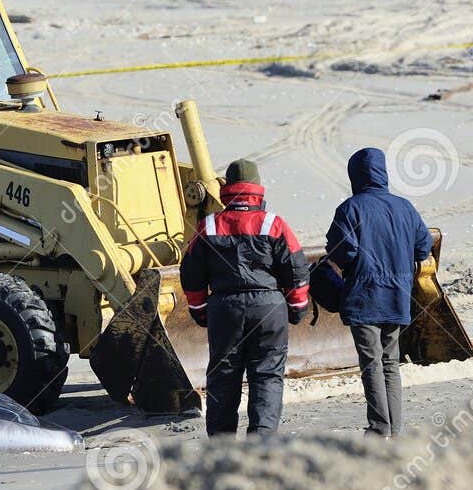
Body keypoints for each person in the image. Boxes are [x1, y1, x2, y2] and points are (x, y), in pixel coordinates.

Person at [180, 159, 311, 436]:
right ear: (257, 189)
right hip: (269, 309)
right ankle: (261, 443)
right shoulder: (274, 224)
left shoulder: (209, 226)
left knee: (223, 376)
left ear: (227, 189)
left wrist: (200, 310)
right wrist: (297, 307)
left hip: (224, 309)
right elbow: (296, 268)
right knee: (267, 375)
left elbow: (191, 273)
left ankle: (221, 445)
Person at [325, 146, 434, 438]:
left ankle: (378, 428)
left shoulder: (350, 208)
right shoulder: (405, 207)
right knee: (389, 364)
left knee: (371, 364)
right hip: (398, 297)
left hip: (364, 297)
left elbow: (341, 252)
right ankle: (394, 430)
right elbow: (423, 247)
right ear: (383, 173)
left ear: (355, 175)